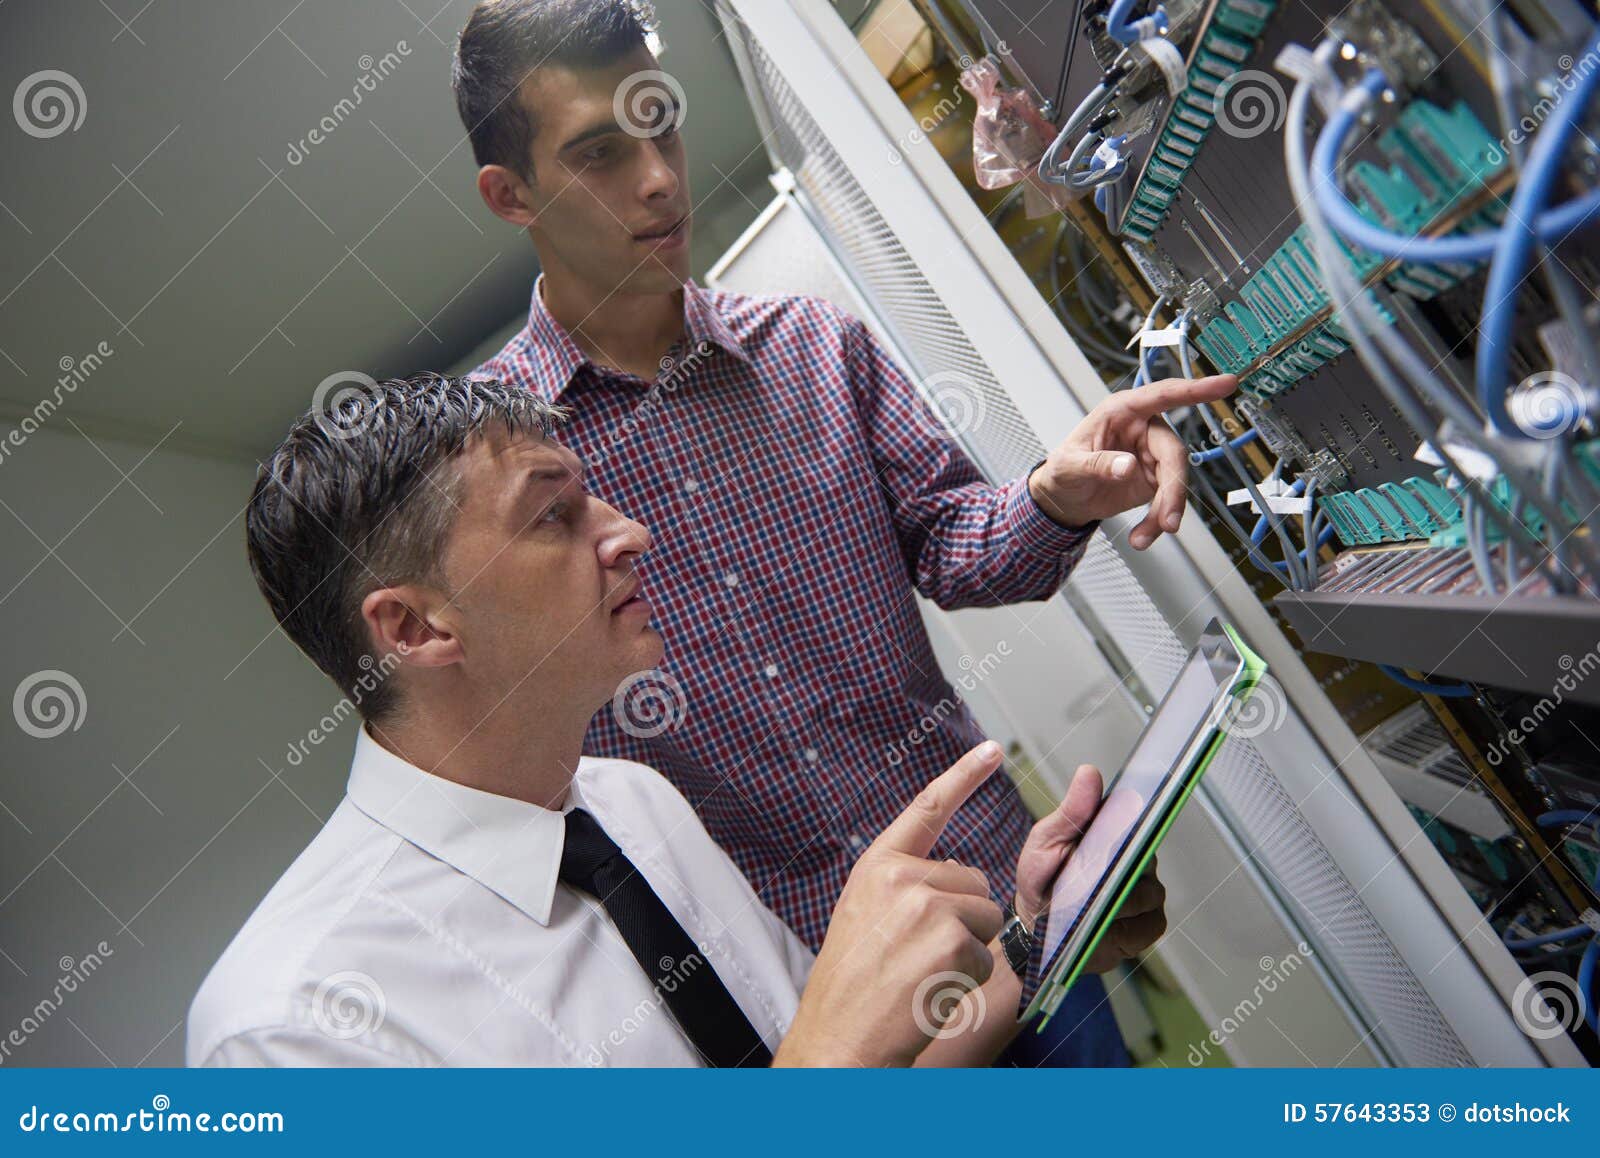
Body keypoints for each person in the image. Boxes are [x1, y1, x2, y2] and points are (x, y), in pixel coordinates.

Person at [452, 0, 1230, 1064]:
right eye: (598, 154)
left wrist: (1058, 492)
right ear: (510, 194)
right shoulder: (489, 474)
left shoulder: (817, 349)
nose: (659, 180)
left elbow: (954, 549)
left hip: (1013, 929)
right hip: (820, 1025)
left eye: (662, 126)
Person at [186, 374, 1166, 1067]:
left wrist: (1044, 936)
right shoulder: (294, 1028)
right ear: (413, 626)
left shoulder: (632, 803)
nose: (628, 533)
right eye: (553, 517)